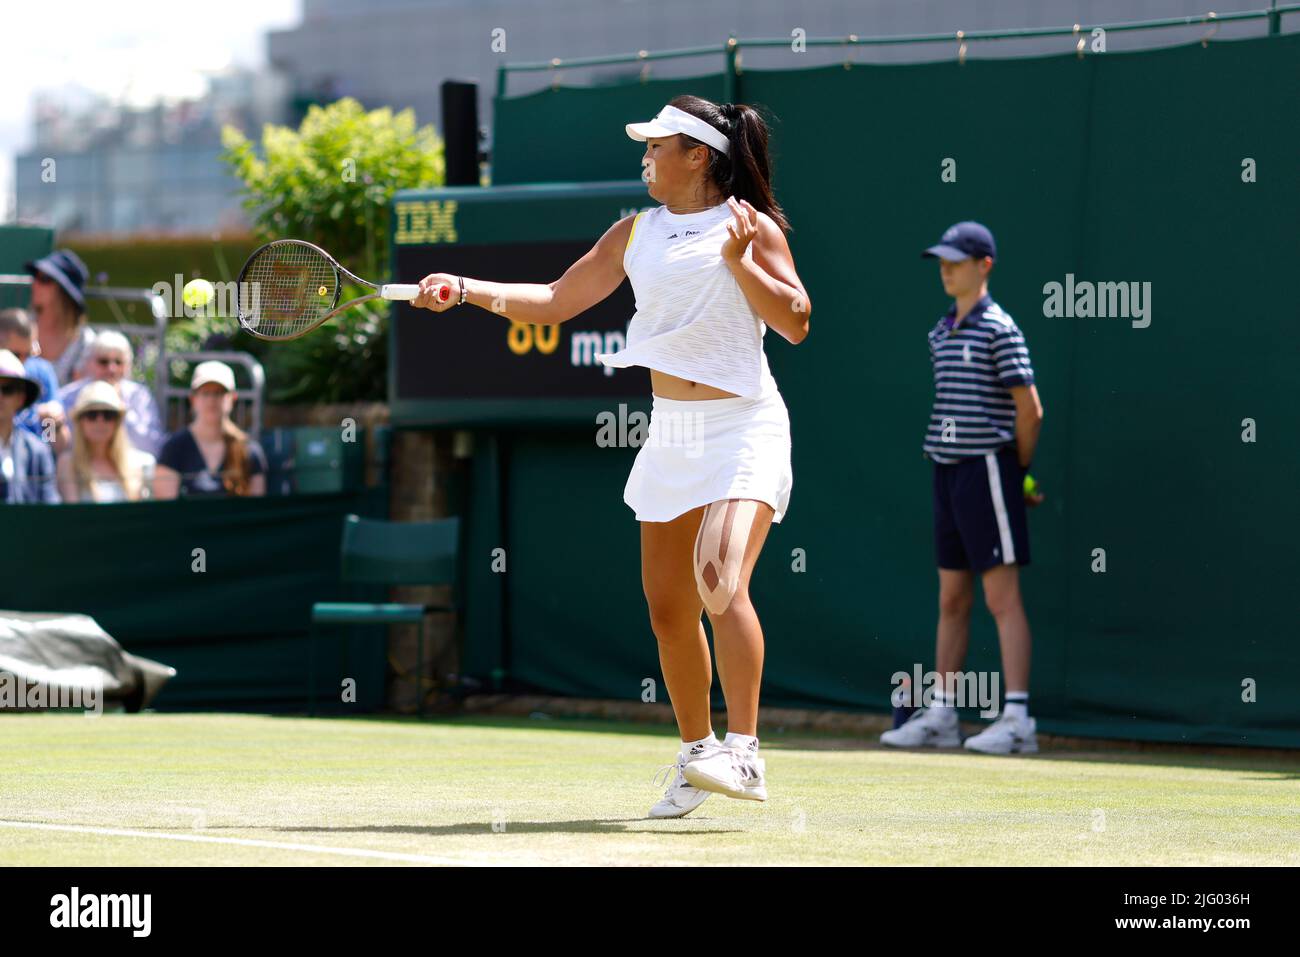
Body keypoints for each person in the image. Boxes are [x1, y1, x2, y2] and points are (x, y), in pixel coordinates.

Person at [411, 96, 811, 818]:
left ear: (697, 156)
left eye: (657, 146)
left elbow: (796, 321)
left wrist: (737, 261)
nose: (645, 158)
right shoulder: (634, 232)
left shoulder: (751, 228)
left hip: (744, 425)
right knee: (667, 609)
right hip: (674, 429)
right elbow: (557, 300)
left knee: (719, 575)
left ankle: (745, 753)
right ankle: (698, 755)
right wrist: (466, 290)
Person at [880, 221, 1044, 755]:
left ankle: (1017, 719)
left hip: (989, 468)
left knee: (1001, 597)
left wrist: (1016, 472)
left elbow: (1030, 411)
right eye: (941, 262)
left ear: (984, 266)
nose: (946, 270)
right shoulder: (940, 331)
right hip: (947, 470)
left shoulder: (1001, 329)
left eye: (956, 261)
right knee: (952, 597)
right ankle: (944, 714)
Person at [153, 360, 267, 499]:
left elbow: (257, 508)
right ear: (193, 399)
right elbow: (166, 509)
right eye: (205, 393)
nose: (212, 400)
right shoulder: (174, 448)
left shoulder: (249, 451)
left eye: (219, 393)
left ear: (233, 398)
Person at [56, 330, 165, 456]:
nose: (111, 369)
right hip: (79, 470)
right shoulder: (67, 395)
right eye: (103, 361)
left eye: (118, 362)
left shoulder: (139, 396)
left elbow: (152, 447)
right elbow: (48, 441)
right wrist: (53, 427)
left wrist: (122, 407)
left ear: (128, 366)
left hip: (126, 471)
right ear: (88, 363)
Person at [57, 380, 155, 503]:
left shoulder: (143, 463)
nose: (100, 421)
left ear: (118, 422)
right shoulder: (68, 463)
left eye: (108, 414)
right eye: (92, 414)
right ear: (80, 421)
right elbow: (73, 513)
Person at [26, 249, 95, 387]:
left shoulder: (85, 342)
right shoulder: (21, 327)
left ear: (63, 291)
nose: (35, 284)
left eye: (44, 279)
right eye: (35, 276)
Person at [0, 349, 59, 504]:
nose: (0, 396)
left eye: (8, 390)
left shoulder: (39, 450)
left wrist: (54, 427)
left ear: (20, 398)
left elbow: (50, 506)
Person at [0, 307, 60, 439]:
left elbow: (50, 439)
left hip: (32, 454)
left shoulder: (42, 371)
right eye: (15, 354)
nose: (23, 360)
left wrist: (50, 423)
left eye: (28, 354)